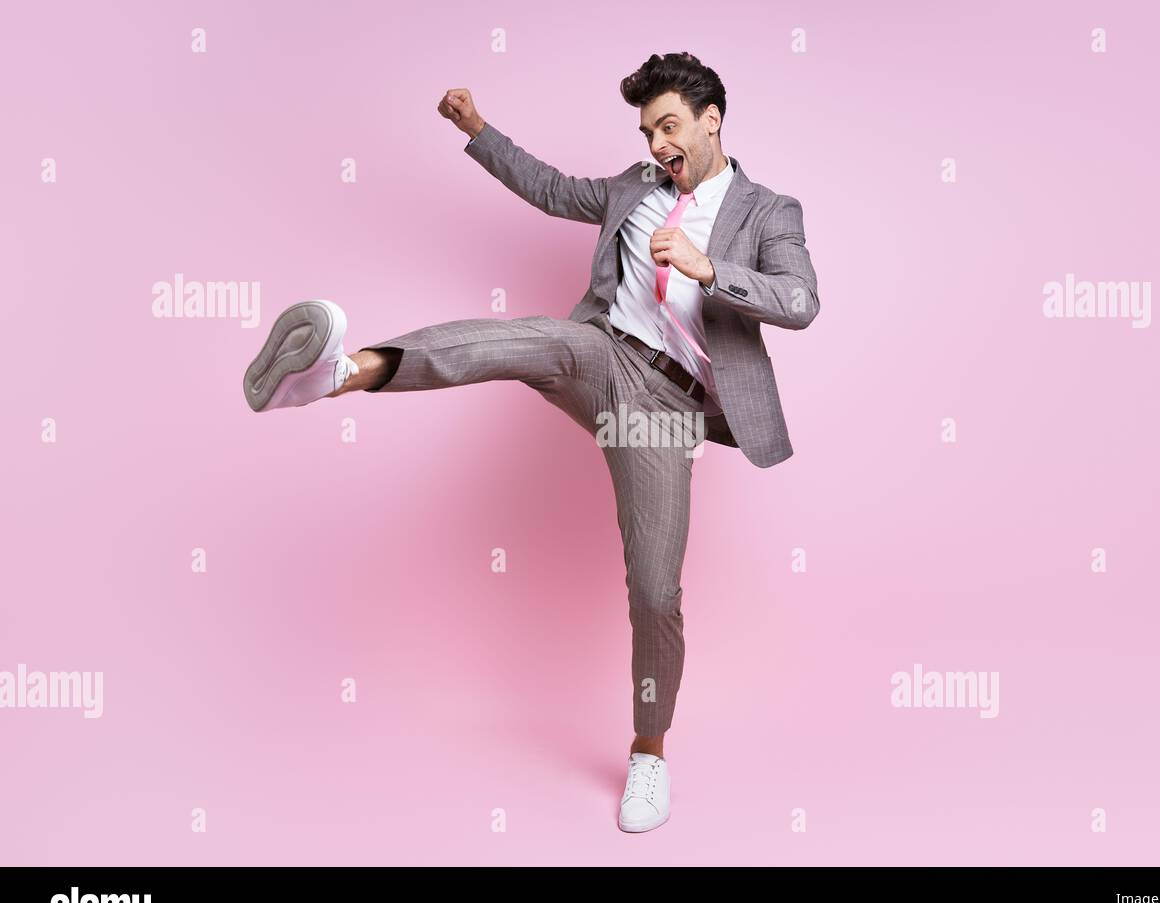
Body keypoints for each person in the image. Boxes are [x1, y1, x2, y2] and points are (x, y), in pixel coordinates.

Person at [241, 52, 820, 833]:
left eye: (669, 127)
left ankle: (648, 752)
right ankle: (340, 372)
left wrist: (710, 267)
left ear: (712, 120)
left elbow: (800, 299)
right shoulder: (633, 189)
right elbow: (550, 189)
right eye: (648, 130)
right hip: (605, 353)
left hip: (669, 412)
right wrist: (477, 129)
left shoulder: (769, 210)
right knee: (534, 340)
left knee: (655, 591)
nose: (656, 144)